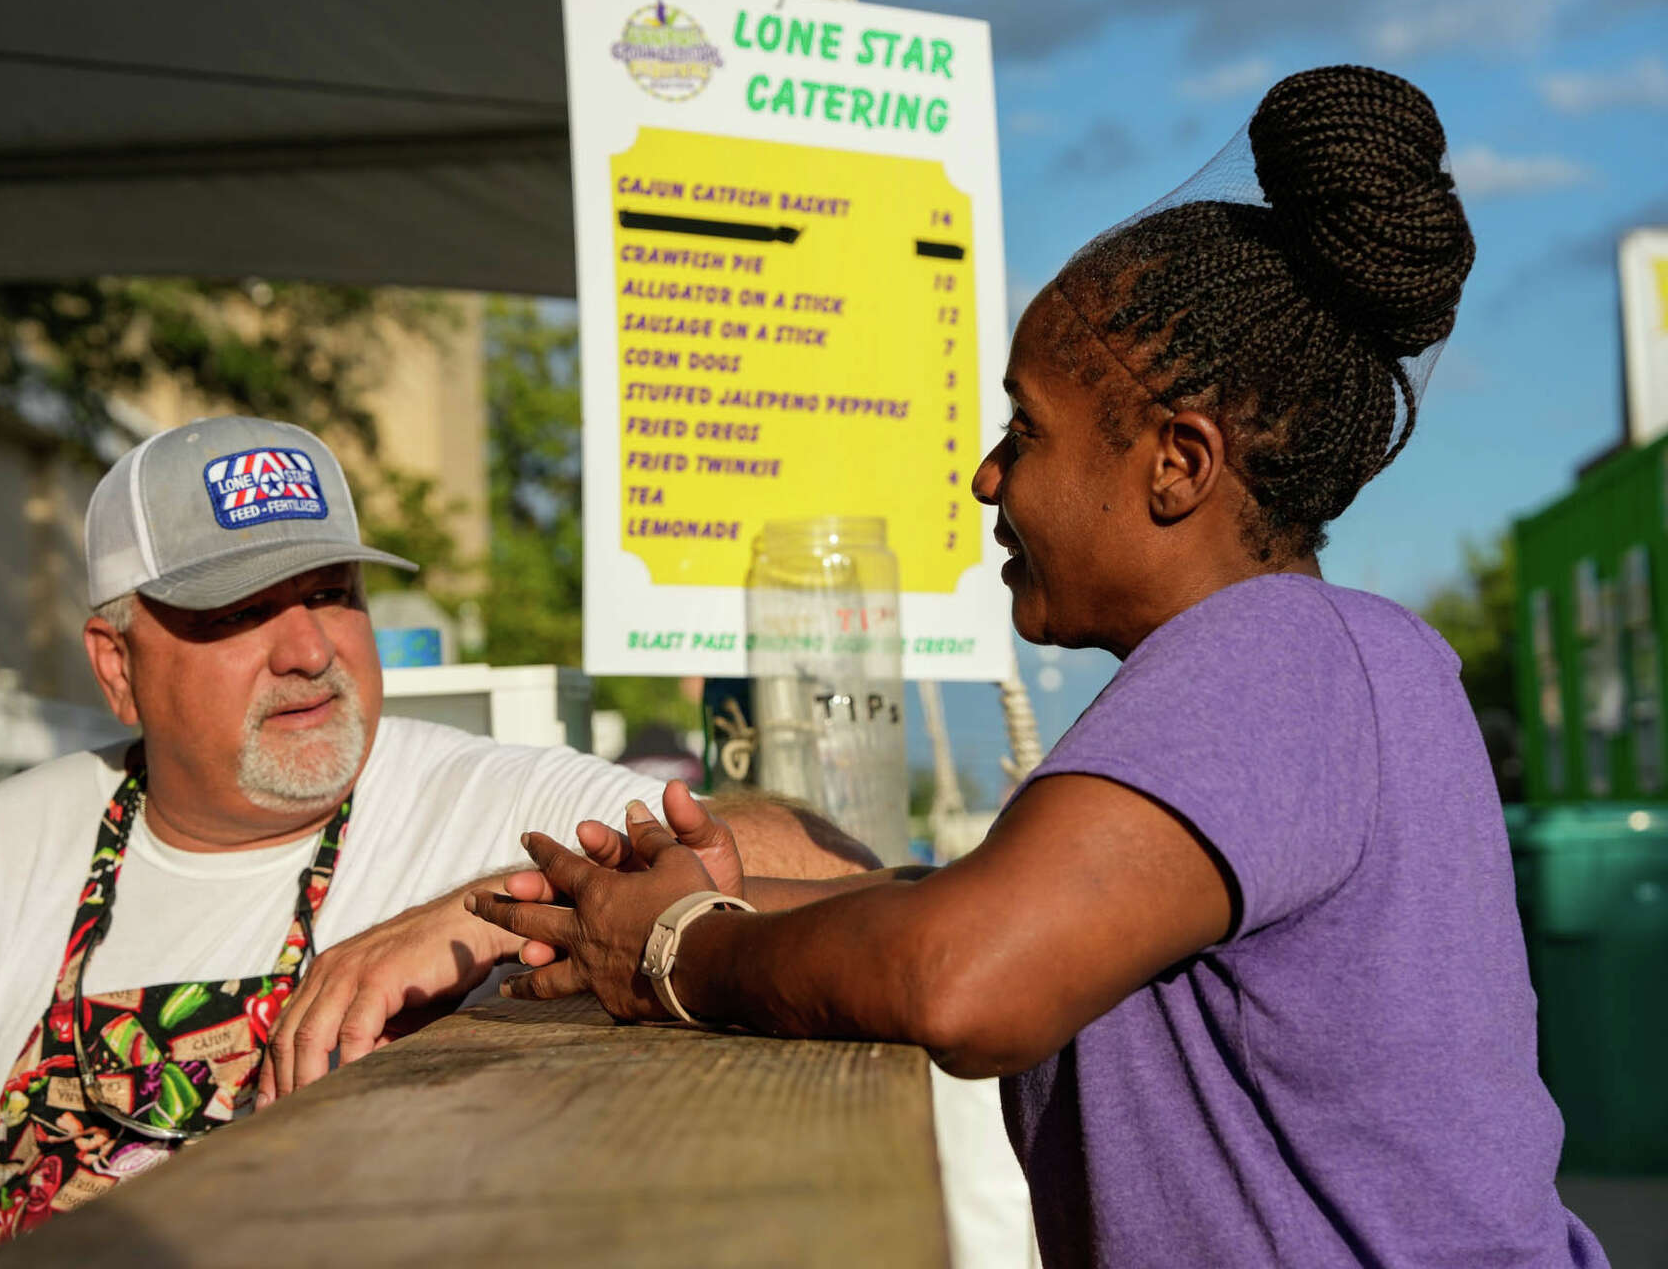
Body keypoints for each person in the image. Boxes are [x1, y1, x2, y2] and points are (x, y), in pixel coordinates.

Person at [469, 67, 1609, 1267]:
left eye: (1026, 428)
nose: (986, 477)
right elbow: (969, 903)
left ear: (1177, 462)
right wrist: (693, 897)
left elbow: (965, 971)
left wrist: (679, 951)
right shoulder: (1339, 662)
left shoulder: (1274, 653)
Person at [0, 415, 871, 1266]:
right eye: (238, 611)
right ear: (117, 662)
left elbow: (832, 861)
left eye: (332, 594)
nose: (309, 649)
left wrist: (466, 911)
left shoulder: (499, 808)